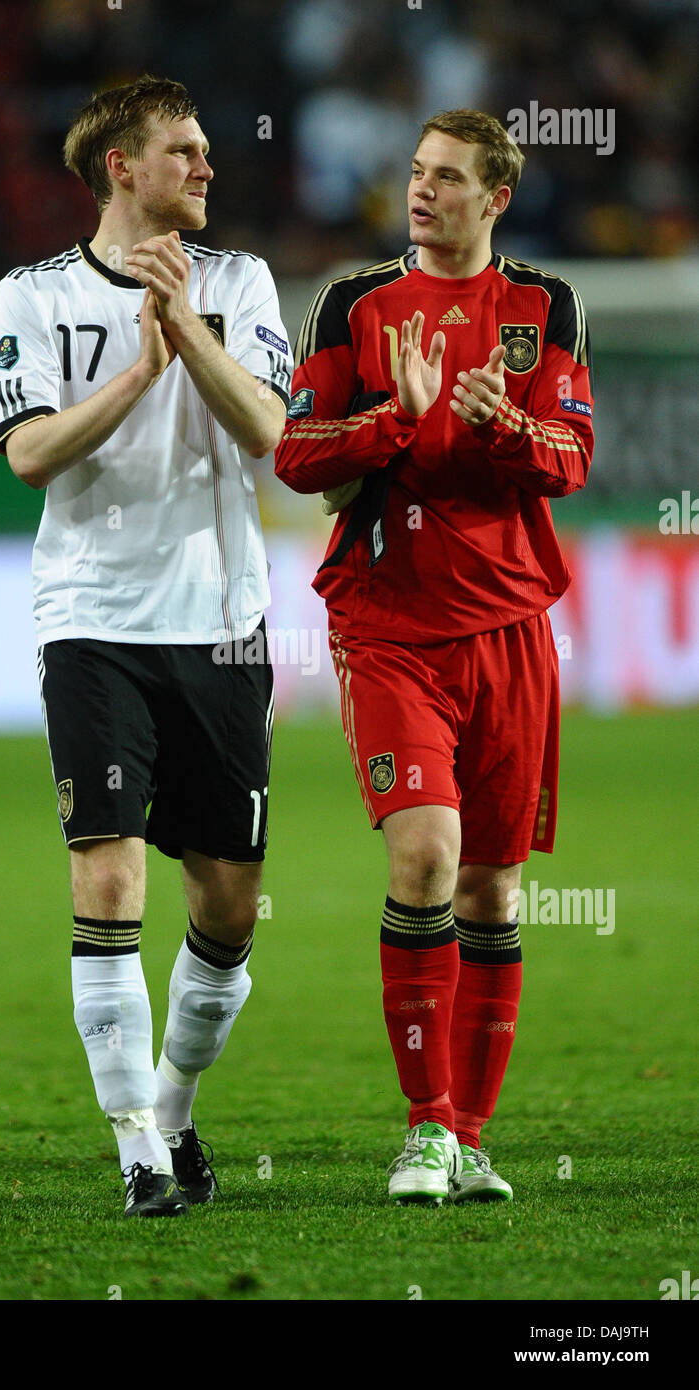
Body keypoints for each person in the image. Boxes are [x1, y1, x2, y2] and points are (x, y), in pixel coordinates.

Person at [275, 108, 593, 1206]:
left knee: (493, 895)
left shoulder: (543, 307)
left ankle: (466, 1134)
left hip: (507, 629)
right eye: (415, 173)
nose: (421, 192)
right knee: (423, 859)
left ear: (494, 197)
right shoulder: (352, 304)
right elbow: (295, 454)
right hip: (387, 626)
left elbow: (571, 455)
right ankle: (419, 1130)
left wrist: (502, 425)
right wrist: (391, 424)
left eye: (447, 178)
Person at [0, 75, 291, 1217]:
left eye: (207, 147)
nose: (207, 165)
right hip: (91, 619)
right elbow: (29, 456)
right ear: (122, 165)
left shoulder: (239, 282)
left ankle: (169, 1106)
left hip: (218, 622)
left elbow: (269, 431)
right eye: (185, 148)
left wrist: (183, 333)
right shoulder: (31, 295)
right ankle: (135, 1155)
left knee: (229, 903)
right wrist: (137, 368)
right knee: (106, 875)